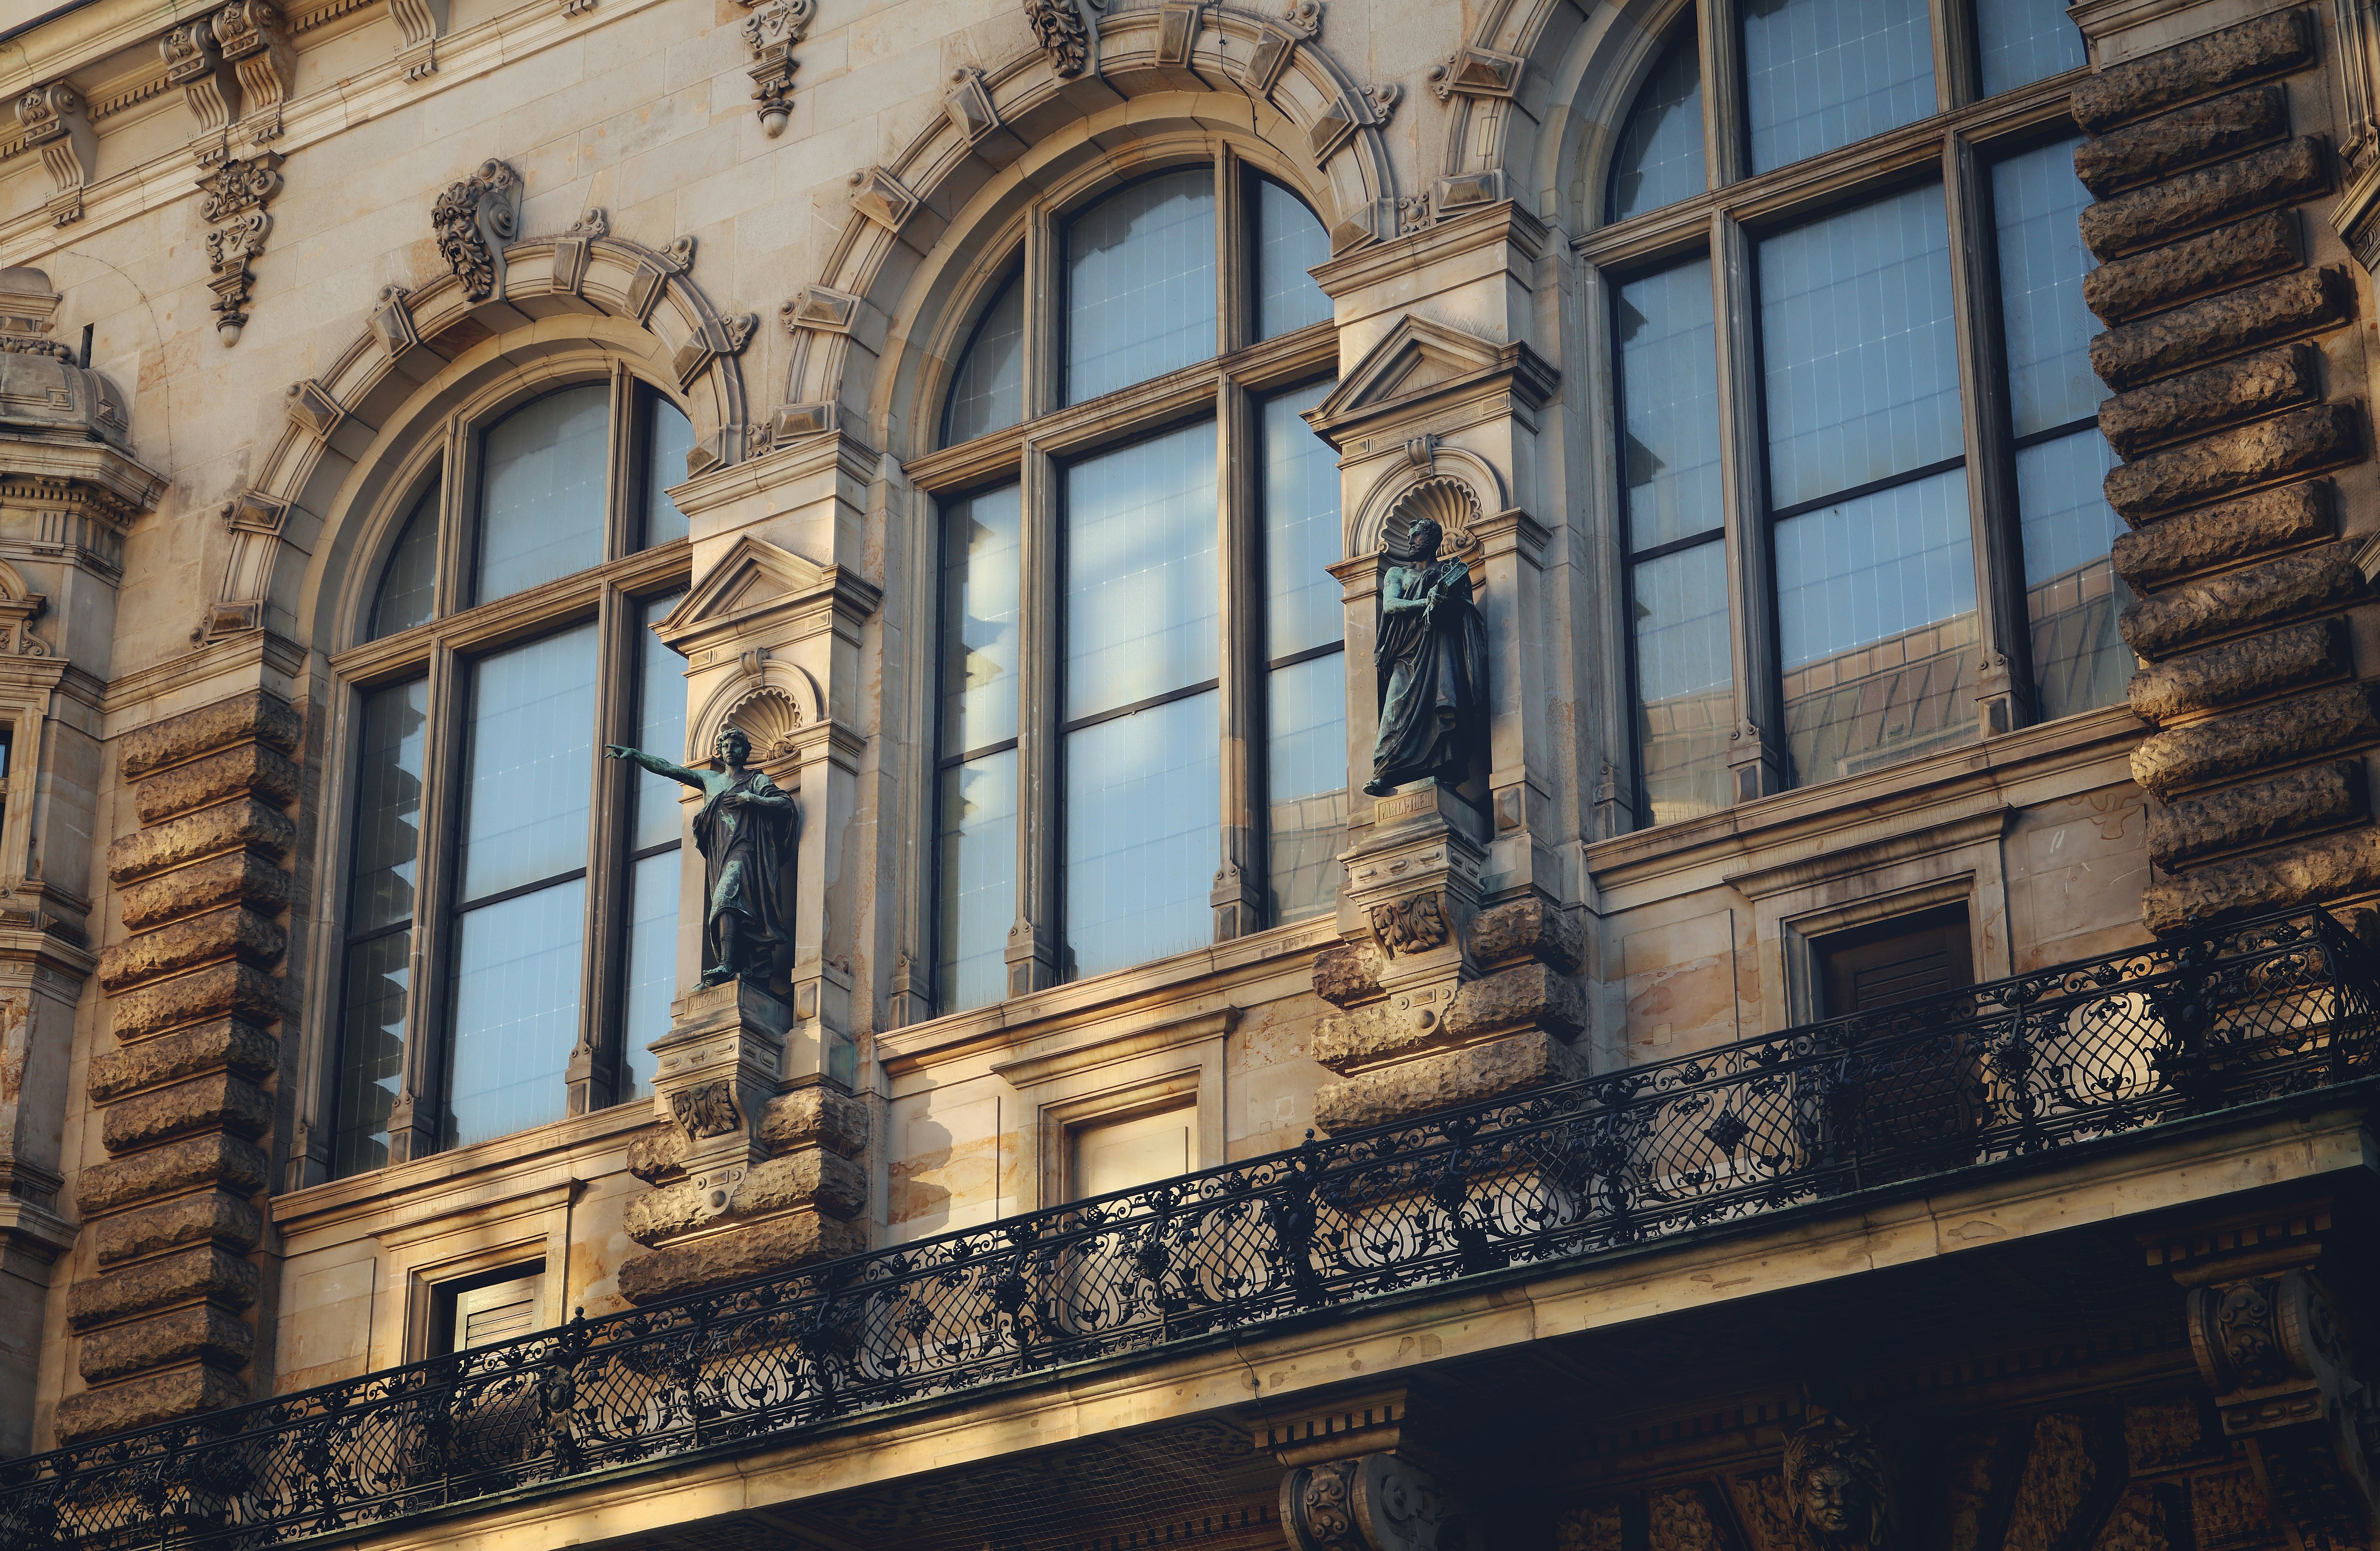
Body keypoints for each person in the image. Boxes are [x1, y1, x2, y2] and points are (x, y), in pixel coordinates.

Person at [605, 725, 795, 987]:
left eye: (736, 746)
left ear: (746, 751)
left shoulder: (757, 781)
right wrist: (636, 755)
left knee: (724, 899)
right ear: (720, 751)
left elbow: (785, 803)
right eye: (726, 746)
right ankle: (733, 963)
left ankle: (728, 964)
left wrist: (752, 800)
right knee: (725, 904)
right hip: (720, 854)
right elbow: (671, 769)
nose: (731, 750)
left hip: (746, 851)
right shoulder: (711, 781)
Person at [1364, 516, 1488, 797]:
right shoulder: (1397, 574)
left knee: (1442, 704)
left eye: (1416, 536)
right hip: (1406, 653)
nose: (1410, 542)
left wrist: (1448, 604)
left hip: (1440, 648)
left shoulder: (1450, 573)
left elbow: (1467, 613)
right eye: (1409, 537)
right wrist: (1427, 603)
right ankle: (1386, 769)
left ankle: (1443, 767)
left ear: (1432, 540)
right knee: (1394, 710)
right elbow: (1392, 605)